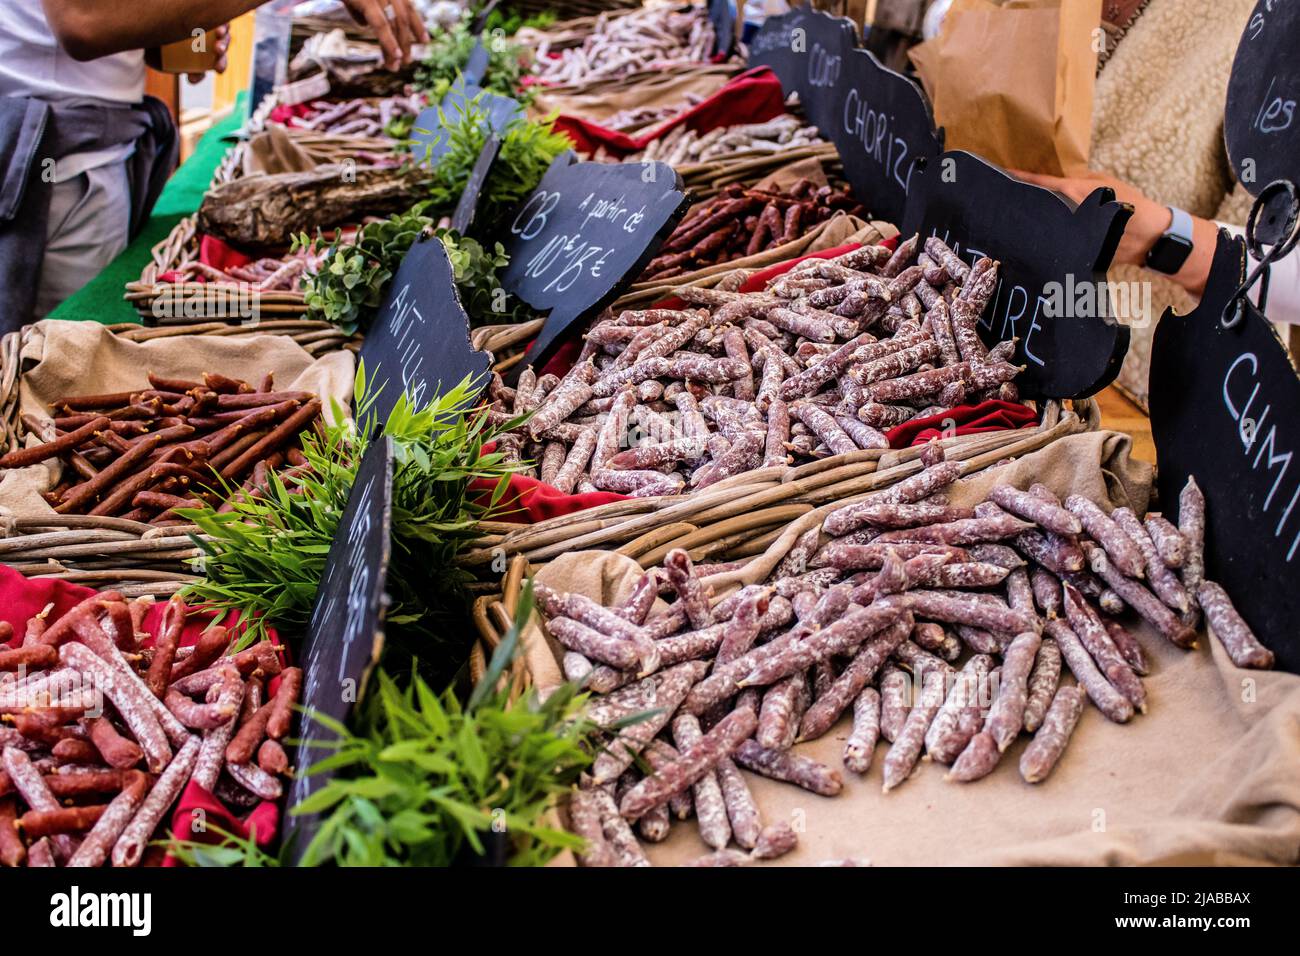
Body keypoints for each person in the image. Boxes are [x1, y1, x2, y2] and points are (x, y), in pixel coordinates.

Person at [0, 0, 427, 331]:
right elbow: (84, 20)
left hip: (98, 153)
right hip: (55, 165)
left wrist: (171, 36)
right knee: (47, 366)